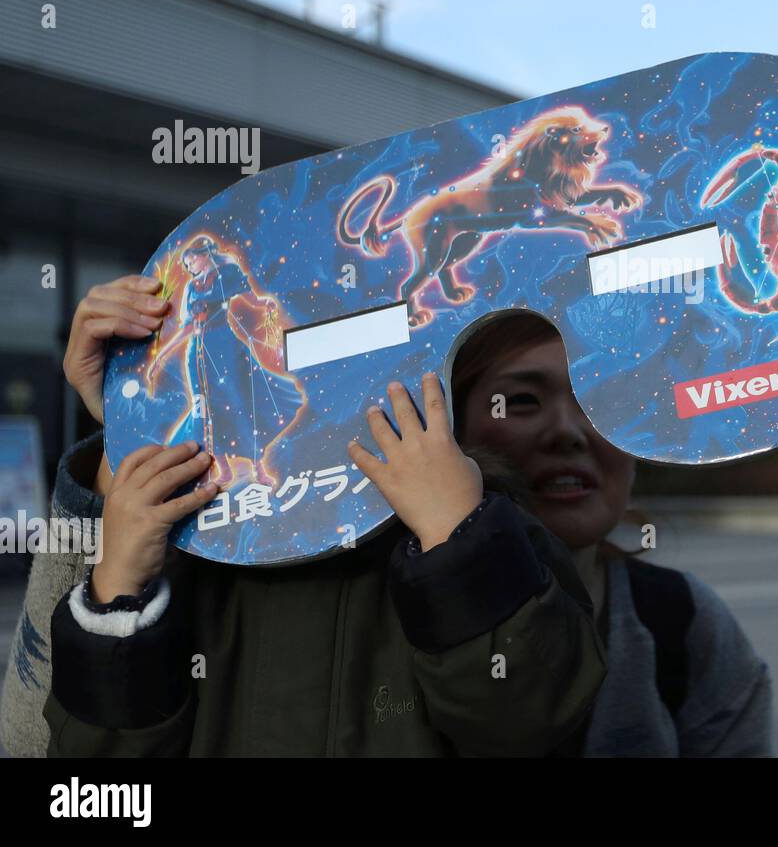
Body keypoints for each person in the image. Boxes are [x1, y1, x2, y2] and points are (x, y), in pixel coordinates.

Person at [3, 274, 605, 757]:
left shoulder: (482, 525)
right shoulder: (195, 536)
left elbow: (532, 719)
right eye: (259, 362)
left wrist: (460, 543)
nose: (299, 388)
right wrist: (115, 596)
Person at [450, 312, 772, 757]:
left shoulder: (685, 623)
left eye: (605, 400)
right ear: (451, 430)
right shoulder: (380, 629)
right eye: (523, 400)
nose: (567, 432)